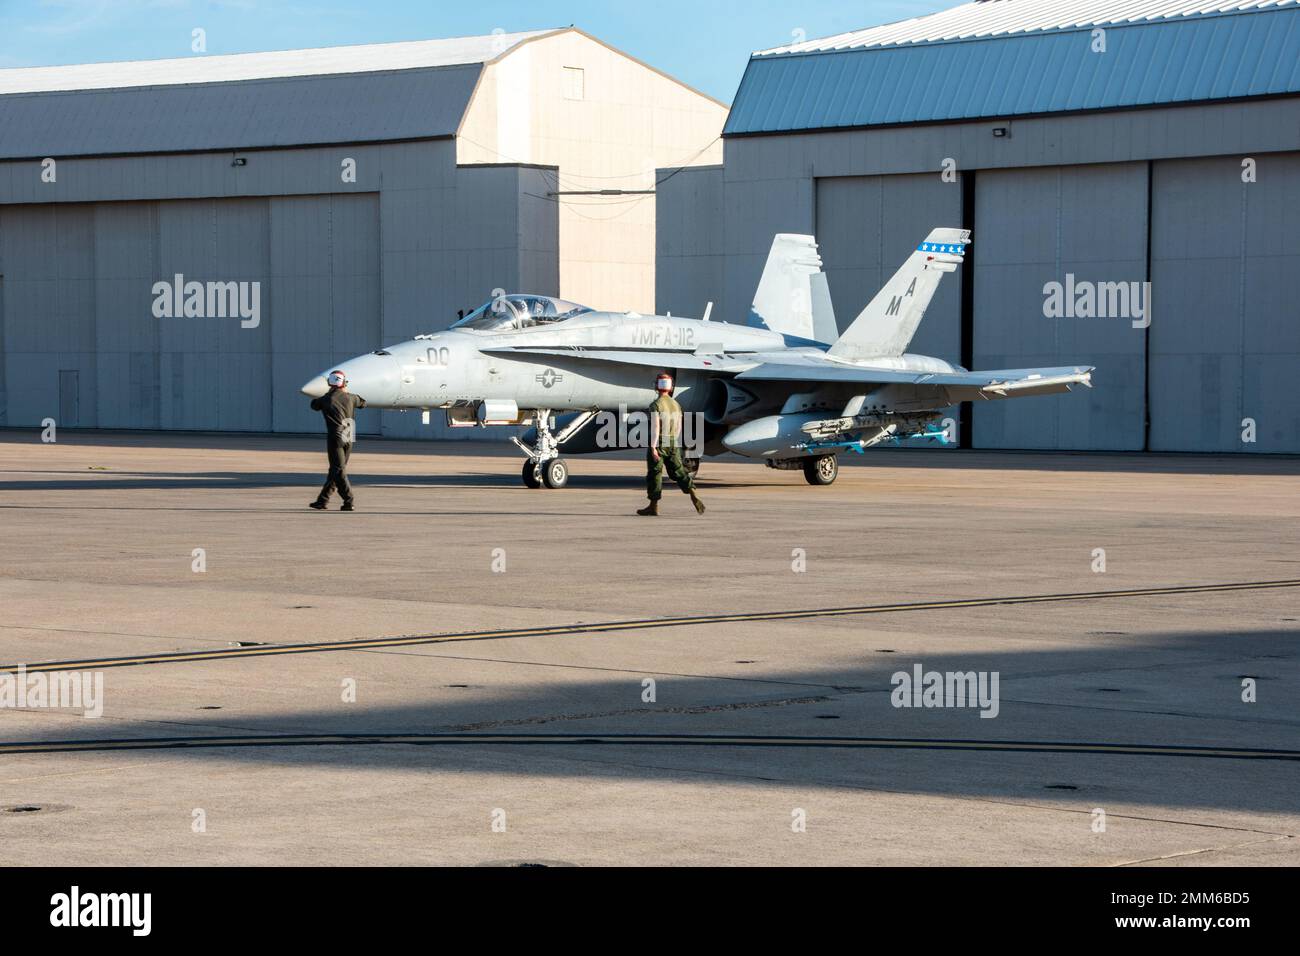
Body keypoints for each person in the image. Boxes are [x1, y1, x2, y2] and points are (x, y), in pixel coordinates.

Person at [637, 372, 705, 517]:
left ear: (657, 386)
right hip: (673, 441)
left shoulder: (656, 405)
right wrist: (675, 442)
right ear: (671, 387)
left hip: (660, 441)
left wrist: (653, 447)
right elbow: (679, 426)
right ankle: (692, 491)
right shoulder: (676, 405)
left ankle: (653, 506)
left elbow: (655, 427)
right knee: (679, 472)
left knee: (655, 474)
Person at [309, 371, 366, 511]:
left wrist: (328, 394)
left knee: (338, 469)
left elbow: (314, 405)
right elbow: (363, 403)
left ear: (329, 383)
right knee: (336, 469)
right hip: (349, 434)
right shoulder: (351, 398)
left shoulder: (326, 399)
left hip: (336, 435)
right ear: (344, 383)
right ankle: (322, 500)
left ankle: (348, 500)